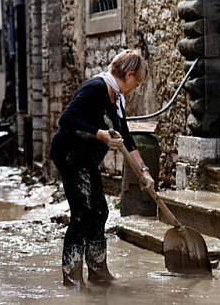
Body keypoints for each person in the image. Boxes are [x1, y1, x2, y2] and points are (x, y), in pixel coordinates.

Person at [50, 49, 154, 287]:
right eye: (136, 83)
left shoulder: (116, 100)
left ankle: (98, 270)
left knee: (100, 211)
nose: (135, 87)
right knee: (82, 211)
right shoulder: (95, 88)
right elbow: (66, 120)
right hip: (69, 154)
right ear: (128, 75)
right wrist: (102, 135)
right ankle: (72, 277)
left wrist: (144, 170)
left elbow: (126, 138)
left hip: (86, 159)